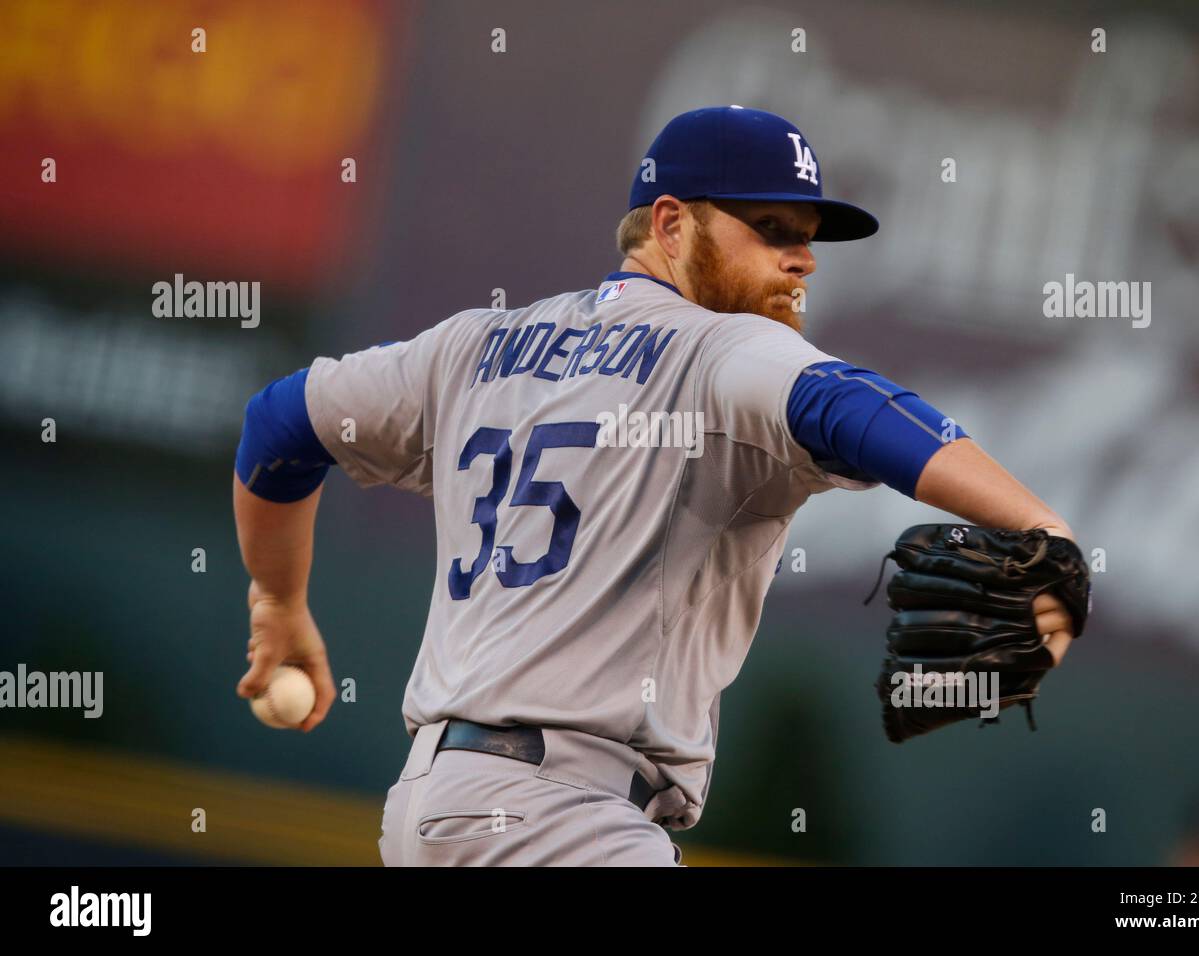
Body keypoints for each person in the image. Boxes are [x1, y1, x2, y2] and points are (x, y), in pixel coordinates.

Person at [231, 106, 1078, 866]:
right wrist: (1042, 526)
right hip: (565, 823)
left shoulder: (471, 348)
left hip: (434, 806)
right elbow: (854, 407)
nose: (803, 259)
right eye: (769, 225)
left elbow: (279, 424)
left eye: (808, 233)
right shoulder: (720, 350)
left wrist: (278, 601)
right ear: (670, 223)